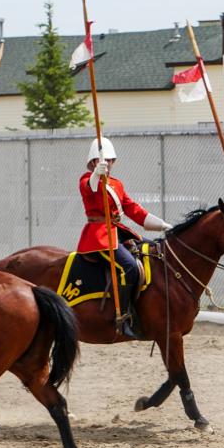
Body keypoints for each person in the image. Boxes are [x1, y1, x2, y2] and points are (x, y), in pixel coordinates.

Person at [78, 137, 172, 335]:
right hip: (98, 238)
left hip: (117, 232)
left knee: (153, 251)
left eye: (111, 160)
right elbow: (90, 188)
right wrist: (96, 174)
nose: (108, 163)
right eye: (103, 160)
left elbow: (133, 210)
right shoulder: (86, 179)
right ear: (93, 161)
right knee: (129, 266)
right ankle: (123, 315)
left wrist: (162, 225)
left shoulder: (116, 184)